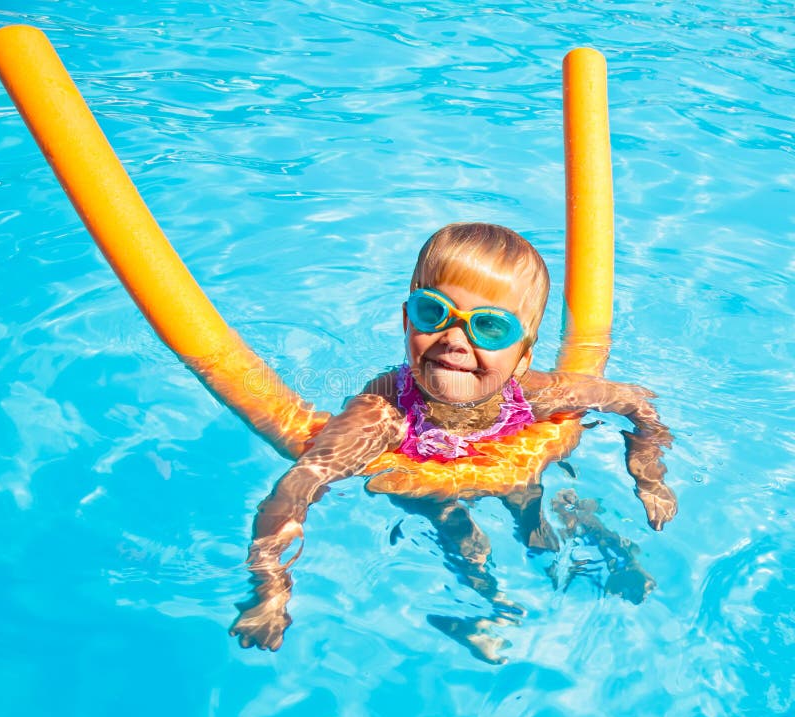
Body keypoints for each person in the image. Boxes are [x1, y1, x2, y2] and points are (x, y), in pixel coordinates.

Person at [230, 222, 677, 654]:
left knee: (545, 513)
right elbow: (297, 487)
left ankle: (614, 559)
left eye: (490, 327)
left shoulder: (532, 393)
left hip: (510, 463)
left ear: (523, 356)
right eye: (434, 312)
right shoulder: (384, 411)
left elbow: (634, 402)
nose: (455, 340)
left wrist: (648, 474)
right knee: (463, 542)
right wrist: (271, 589)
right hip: (424, 481)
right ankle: (486, 608)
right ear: (407, 321)